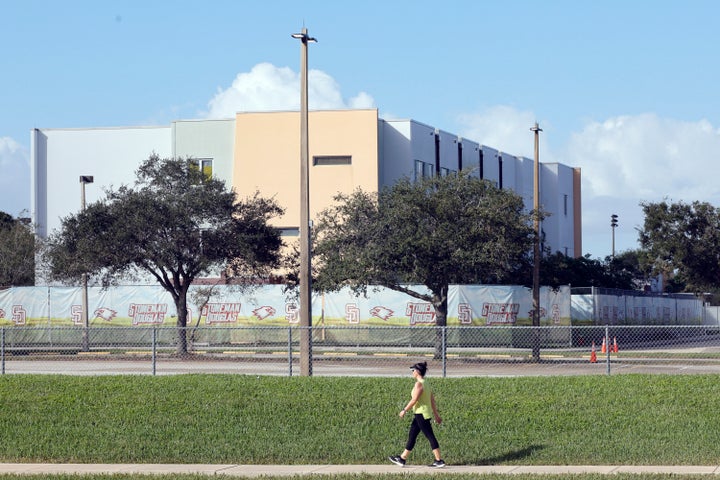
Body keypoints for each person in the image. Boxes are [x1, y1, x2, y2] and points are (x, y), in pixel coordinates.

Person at [389, 361, 445, 468]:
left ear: (418, 371)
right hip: (421, 414)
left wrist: (404, 410)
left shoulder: (419, 384)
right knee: (412, 435)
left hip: (421, 414)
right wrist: (436, 415)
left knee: (430, 436)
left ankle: (439, 460)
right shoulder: (426, 383)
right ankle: (402, 458)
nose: (412, 372)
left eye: (413, 370)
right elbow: (432, 400)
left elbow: (414, 399)